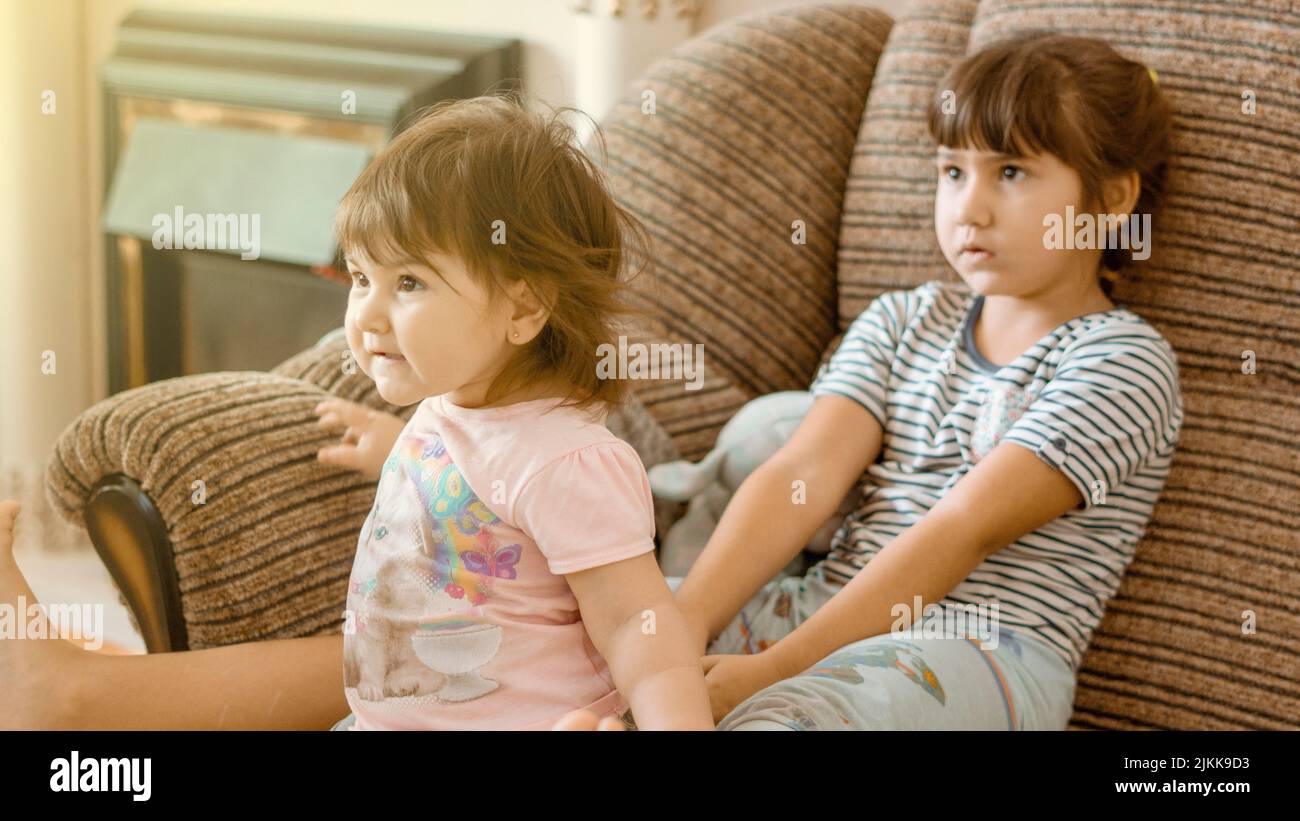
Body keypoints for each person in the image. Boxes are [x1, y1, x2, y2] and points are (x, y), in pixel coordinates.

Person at [0, 93, 713, 731]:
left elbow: (637, 627)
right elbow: (474, 486)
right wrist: (395, 446)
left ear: (524, 307)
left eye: (409, 282)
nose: (365, 314)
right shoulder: (450, 410)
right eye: (360, 276)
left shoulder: (569, 460)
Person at [569, 30, 1184, 730]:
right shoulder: (902, 320)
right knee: (582, 635)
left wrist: (772, 671)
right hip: (824, 608)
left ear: (1110, 199)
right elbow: (800, 472)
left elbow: (960, 530)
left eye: (1010, 172)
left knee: (794, 712)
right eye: (952, 172)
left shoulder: (1123, 360)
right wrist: (679, 628)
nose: (970, 207)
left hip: (980, 652)